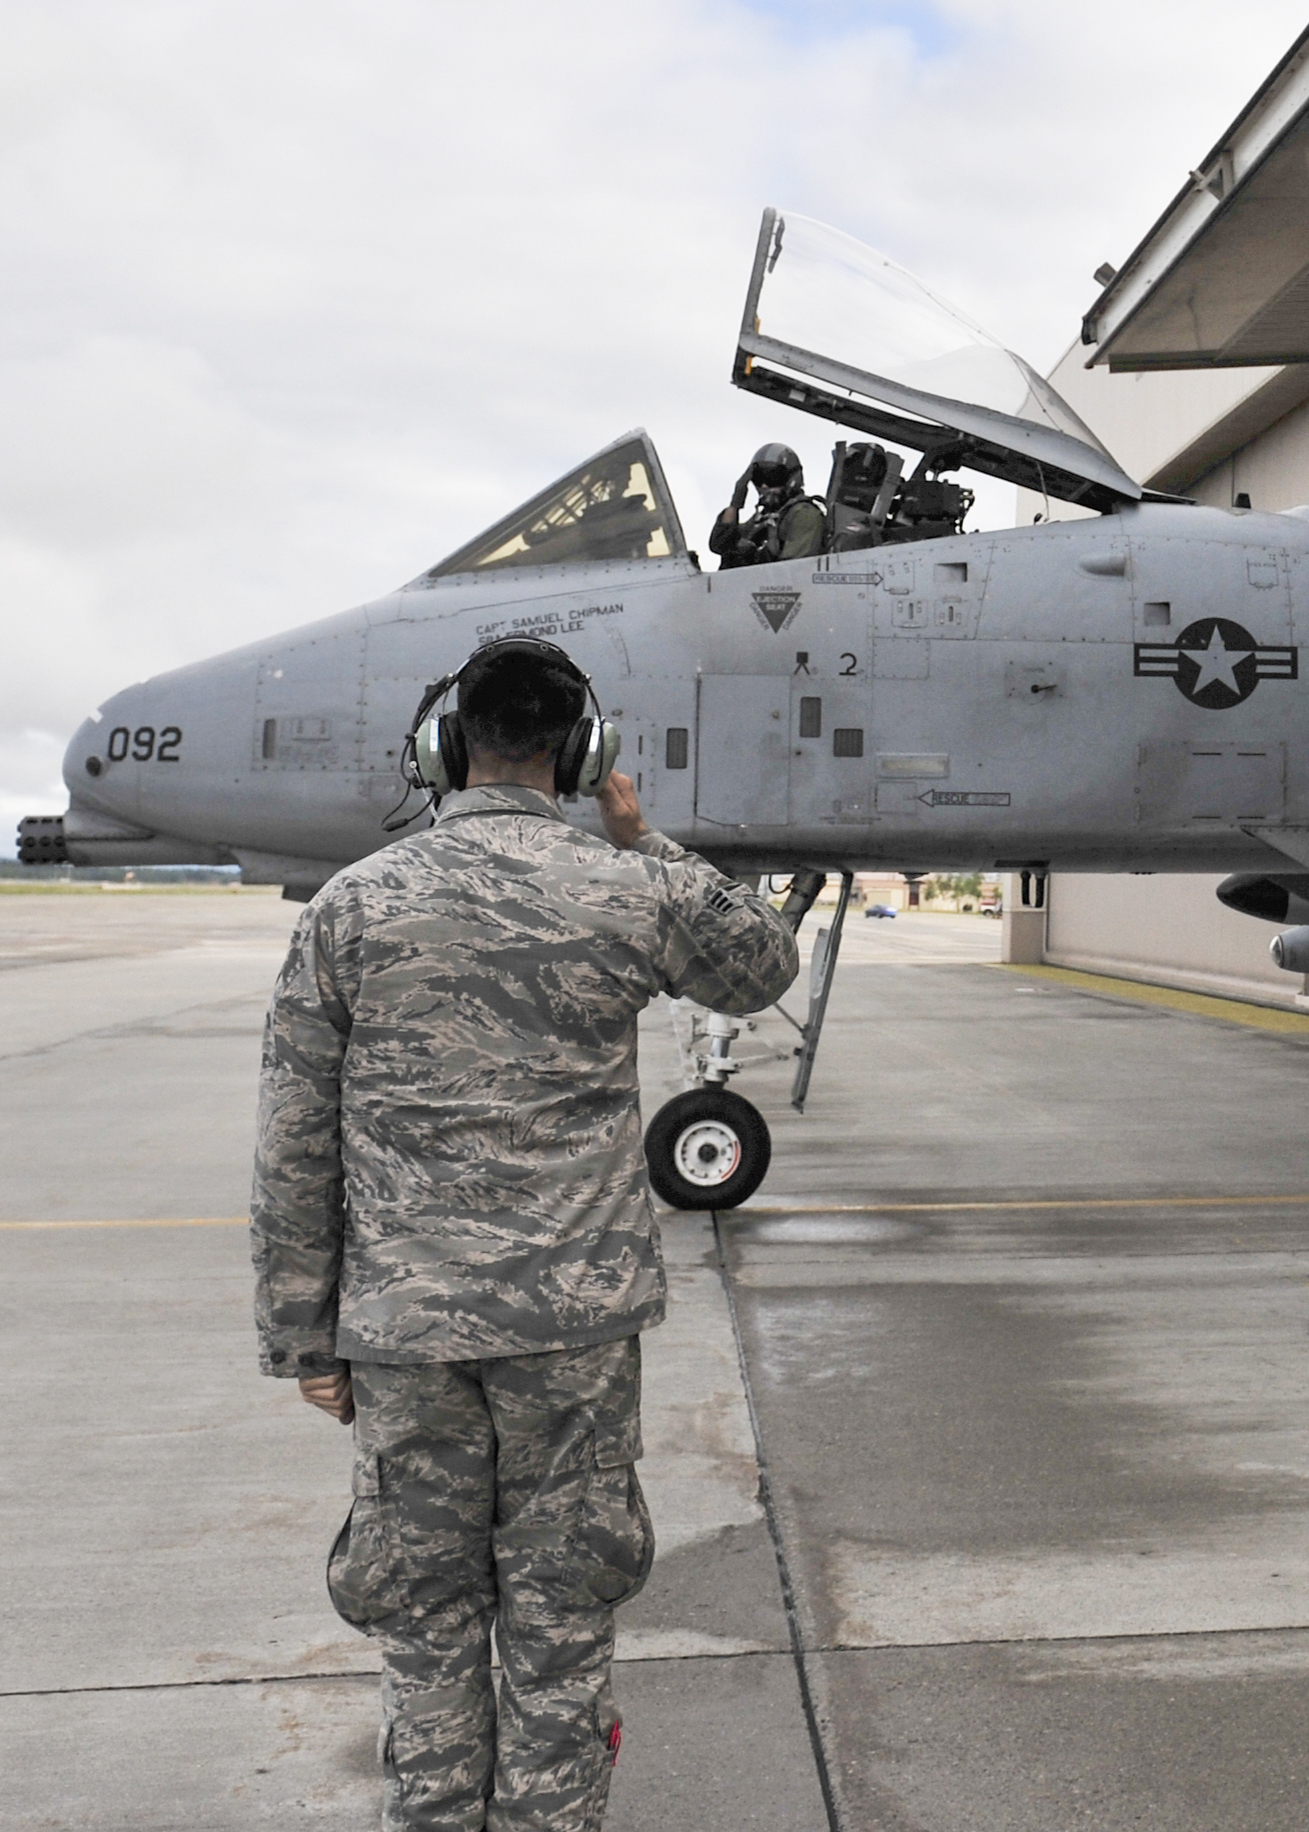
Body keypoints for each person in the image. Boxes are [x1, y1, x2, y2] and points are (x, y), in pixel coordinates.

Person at [250, 638, 799, 1832]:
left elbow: (295, 1136)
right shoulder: (626, 885)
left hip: (406, 1335)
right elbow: (761, 964)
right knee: (558, 1620)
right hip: (573, 1334)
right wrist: (640, 836)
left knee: (426, 1619)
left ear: (446, 748)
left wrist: (307, 1339)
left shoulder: (357, 903)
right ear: (583, 751)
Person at [707, 442, 827, 569]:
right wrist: (736, 502)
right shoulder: (764, 516)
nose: (764, 486)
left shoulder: (803, 514)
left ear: (791, 477)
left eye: (772, 477)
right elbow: (721, 545)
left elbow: (794, 570)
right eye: (758, 478)